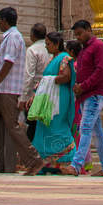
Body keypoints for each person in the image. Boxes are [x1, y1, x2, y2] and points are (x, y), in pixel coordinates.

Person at [0, 6, 40, 174]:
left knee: (11, 127)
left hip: (5, 89)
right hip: (2, 89)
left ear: (5, 21)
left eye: (0, 20)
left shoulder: (13, 37)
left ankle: (34, 160)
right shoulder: (11, 37)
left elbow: (8, 62)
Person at [65, 19, 103, 177]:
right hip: (87, 94)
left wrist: (83, 86)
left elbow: (100, 72)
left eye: (79, 33)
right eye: (76, 34)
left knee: (85, 128)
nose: (77, 37)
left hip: (95, 93)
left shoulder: (98, 47)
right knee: (97, 132)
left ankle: (77, 165)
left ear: (88, 30)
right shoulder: (85, 49)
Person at [24, 33, 76, 174]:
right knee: (44, 126)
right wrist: (35, 95)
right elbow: (44, 80)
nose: (46, 47)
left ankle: (67, 160)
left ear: (57, 44)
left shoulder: (64, 58)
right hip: (47, 99)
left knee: (57, 127)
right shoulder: (52, 59)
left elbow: (66, 77)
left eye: (48, 44)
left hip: (58, 99)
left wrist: (49, 81)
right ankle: (44, 162)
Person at [21, 22, 53, 144]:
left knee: (31, 126)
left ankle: (32, 157)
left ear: (33, 35)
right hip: (49, 93)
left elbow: (28, 75)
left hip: (33, 94)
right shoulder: (50, 49)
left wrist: (23, 97)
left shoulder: (32, 50)